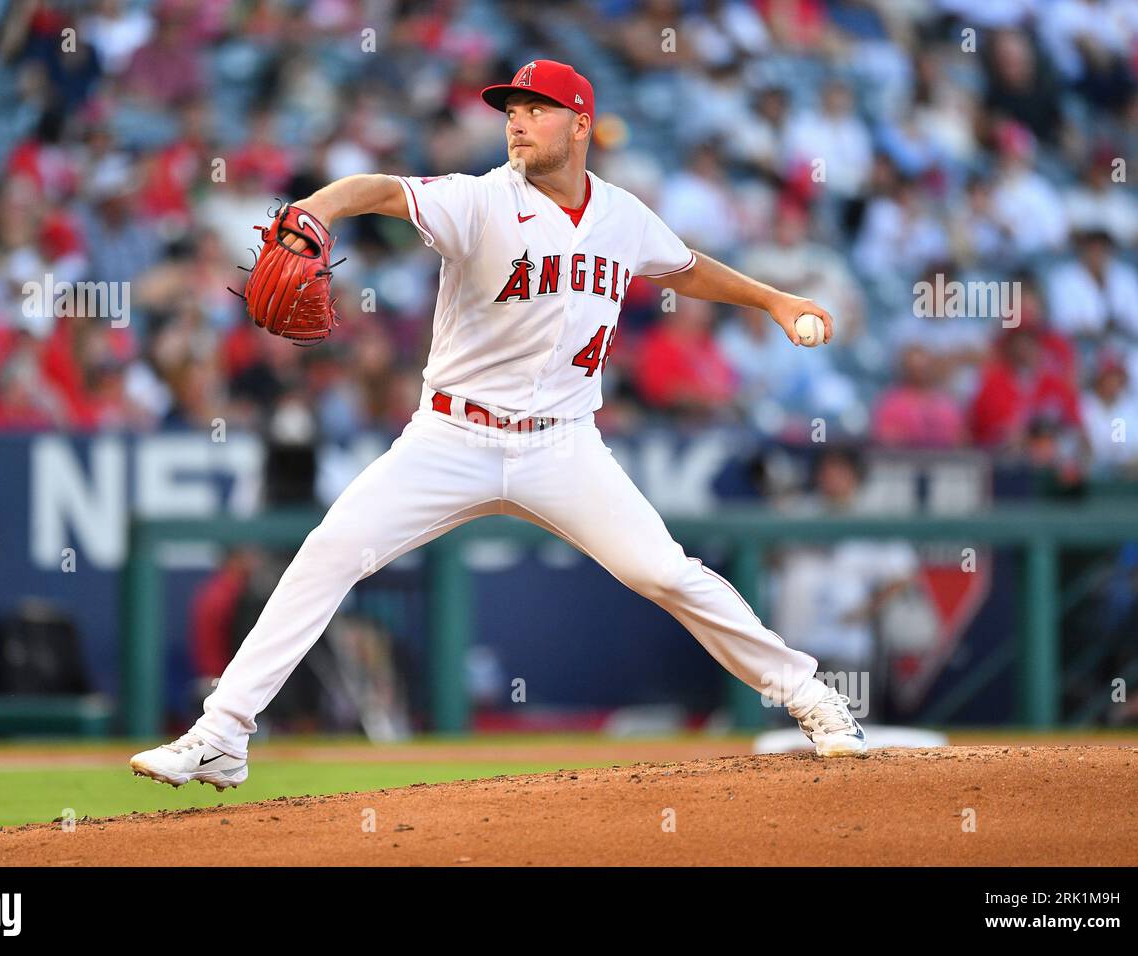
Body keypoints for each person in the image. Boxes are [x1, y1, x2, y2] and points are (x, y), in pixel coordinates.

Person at [130, 60, 866, 791]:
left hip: (562, 444)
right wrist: (319, 209)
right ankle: (222, 734)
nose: (516, 120)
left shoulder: (622, 215)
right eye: (510, 108)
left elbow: (683, 268)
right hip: (452, 437)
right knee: (330, 551)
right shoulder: (478, 201)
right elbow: (379, 189)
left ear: (580, 124)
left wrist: (772, 300)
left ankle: (810, 697)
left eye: (535, 108)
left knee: (663, 571)